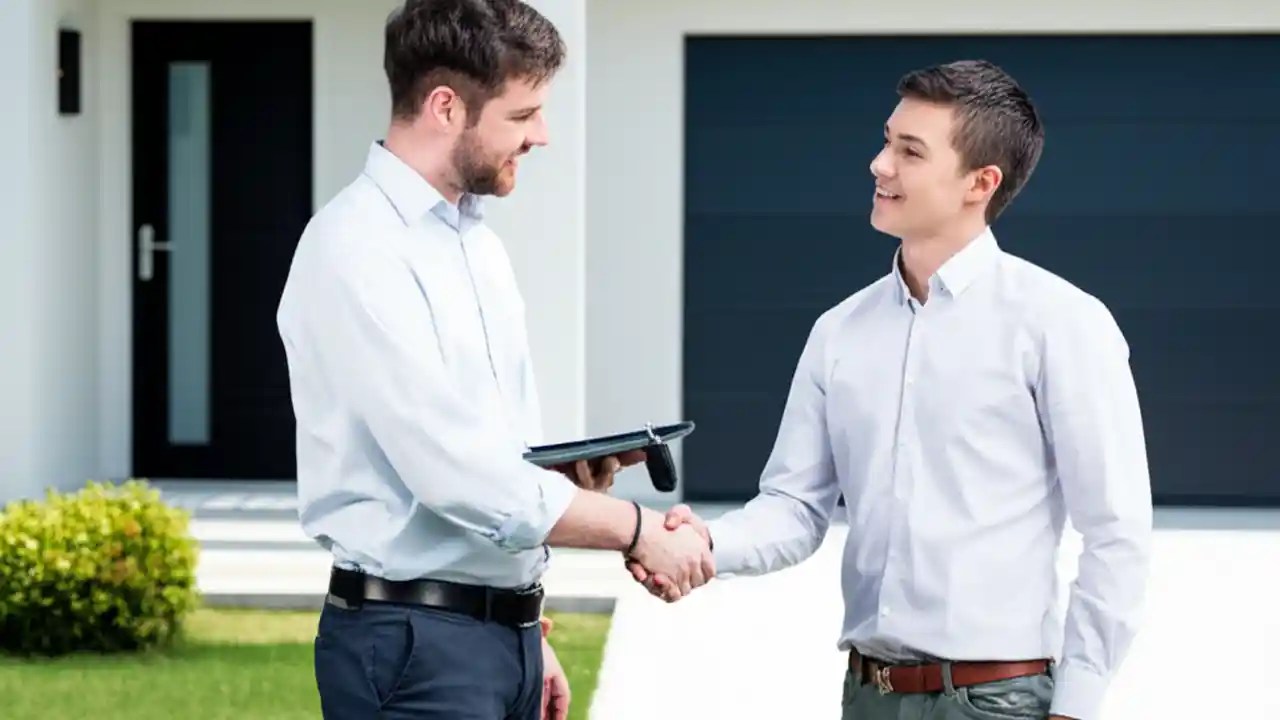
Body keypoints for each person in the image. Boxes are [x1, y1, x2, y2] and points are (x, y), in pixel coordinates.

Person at [632, 59, 1153, 720]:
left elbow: (1116, 531)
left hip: (997, 701)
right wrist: (705, 545)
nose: (879, 164)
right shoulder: (840, 331)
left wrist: (1077, 705)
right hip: (867, 696)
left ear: (979, 182)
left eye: (909, 151)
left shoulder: (1060, 323)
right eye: (886, 141)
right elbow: (794, 505)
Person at [276, 2, 712, 718]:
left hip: (486, 637)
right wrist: (629, 529)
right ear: (446, 106)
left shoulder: (474, 244)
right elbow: (454, 474)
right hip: (415, 649)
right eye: (523, 114)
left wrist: (522, 626)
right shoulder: (356, 251)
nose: (542, 135)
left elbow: (488, 454)